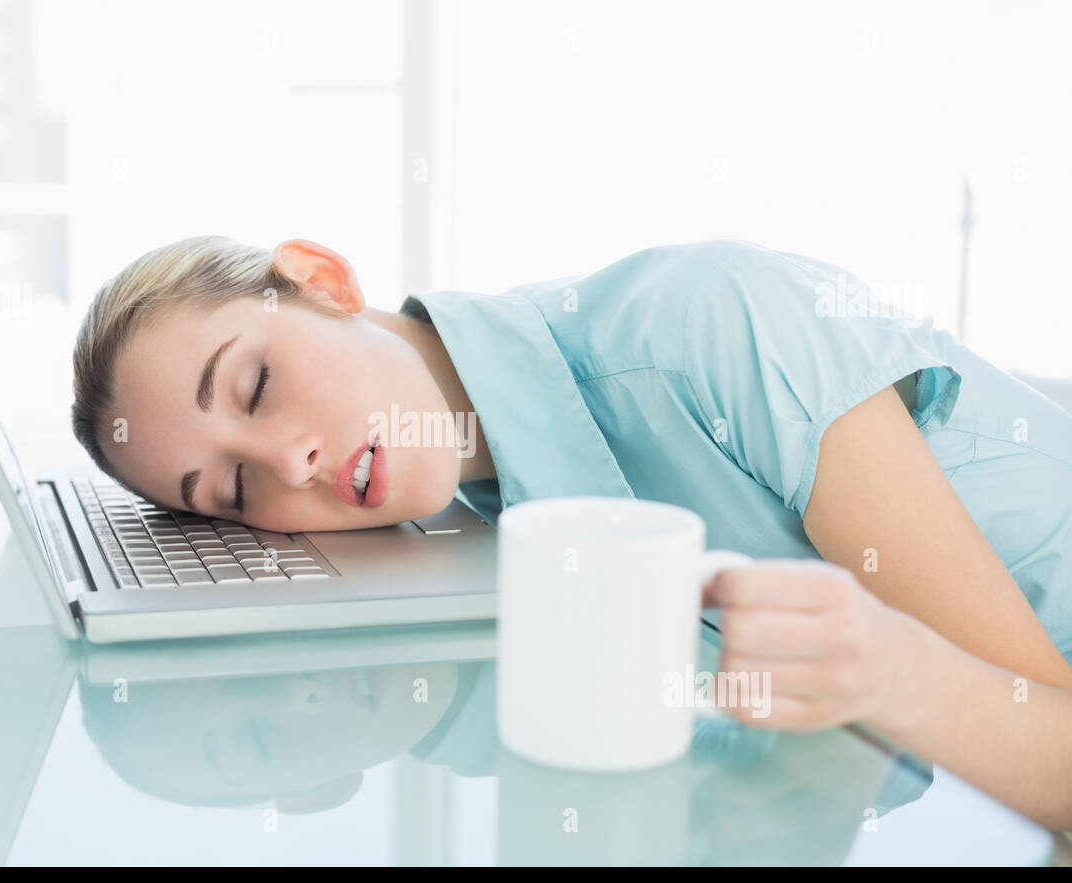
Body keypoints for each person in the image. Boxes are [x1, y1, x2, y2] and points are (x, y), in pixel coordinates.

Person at [70, 235, 1072, 830]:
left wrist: (882, 672)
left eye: (255, 383)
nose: (288, 462)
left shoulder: (706, 327)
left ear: (322, 278)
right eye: (234, 491)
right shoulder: (476, 517)